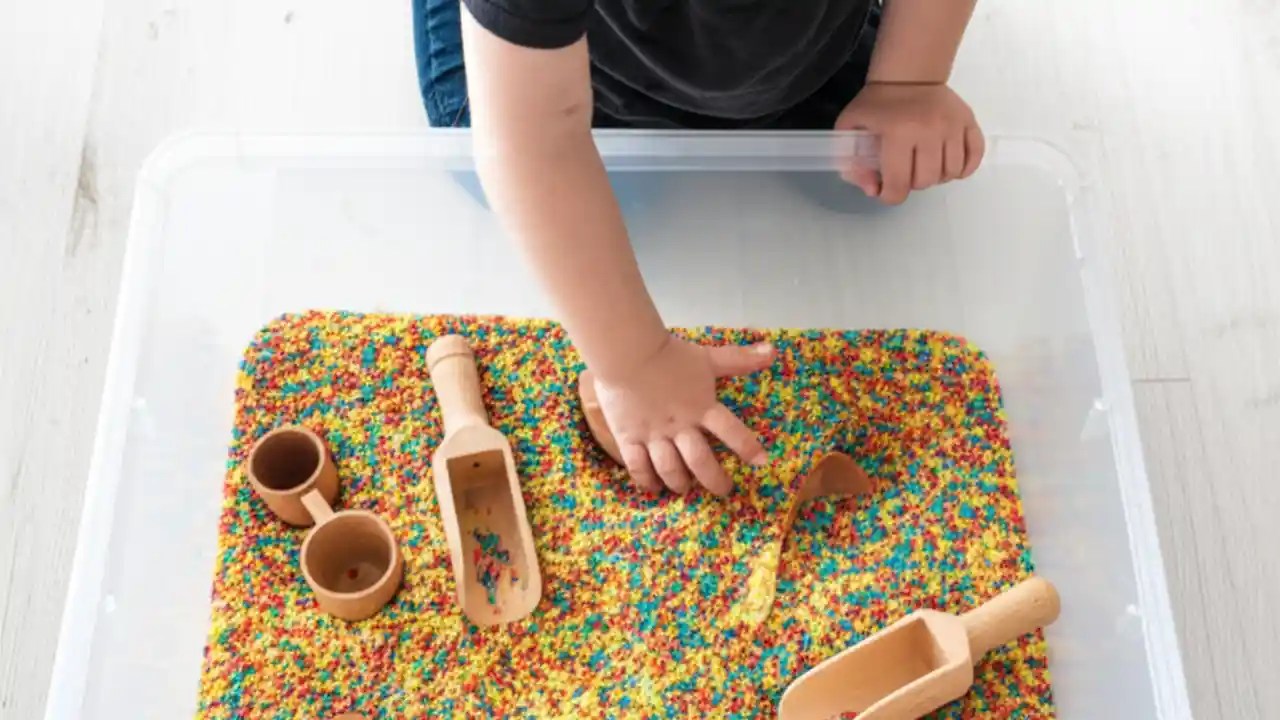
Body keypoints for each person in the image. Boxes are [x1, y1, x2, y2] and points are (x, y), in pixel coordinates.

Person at [412, 0, 985, 497]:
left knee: (866, 179)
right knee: (538, 173)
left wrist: (909, 85)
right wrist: (634, 363)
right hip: (563, 59)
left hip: (789, 54)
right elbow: (532, 141)